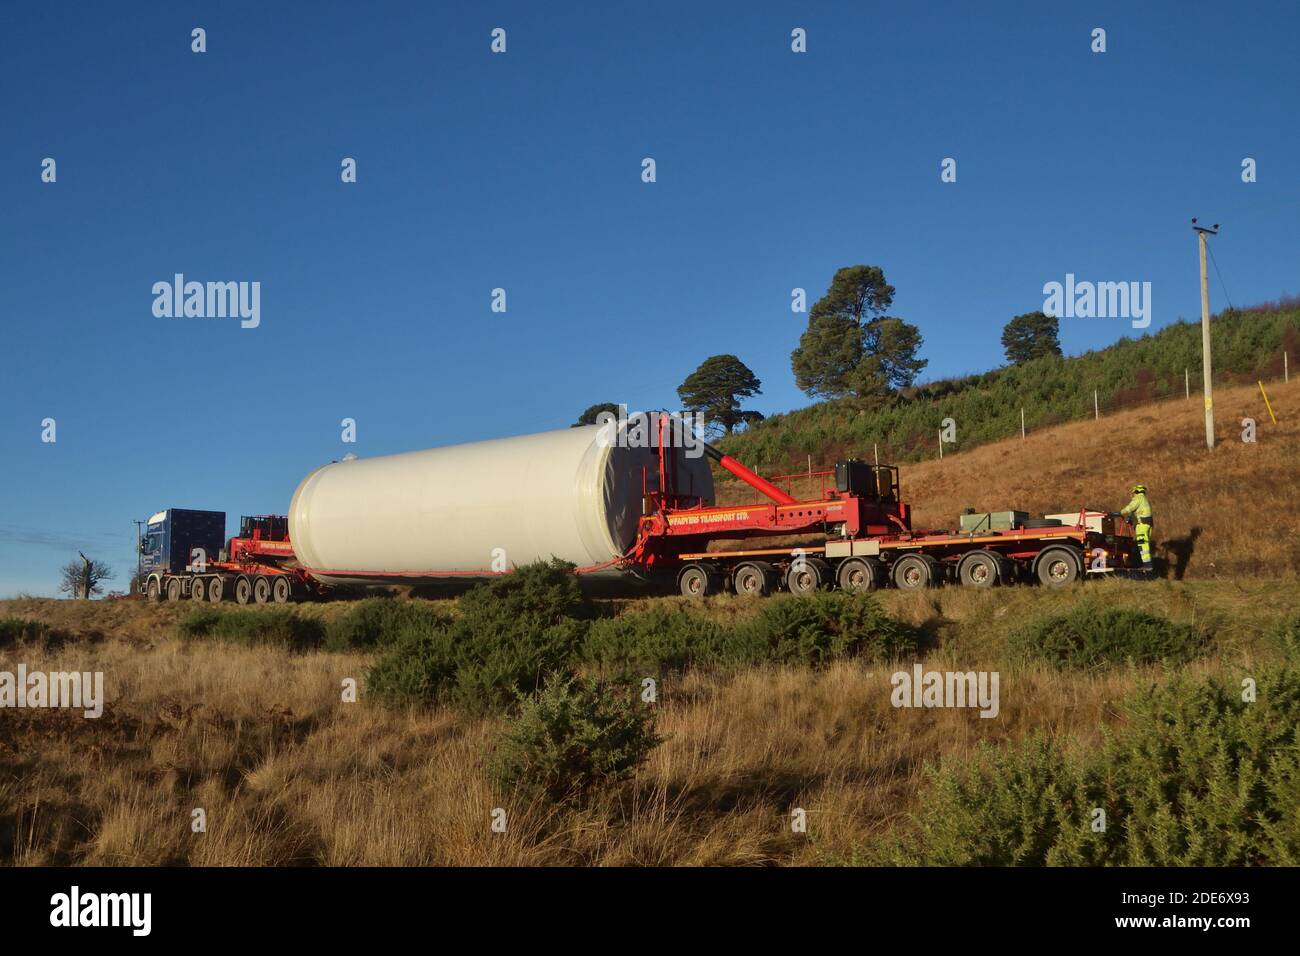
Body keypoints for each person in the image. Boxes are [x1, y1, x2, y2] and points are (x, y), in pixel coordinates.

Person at [1119, 483, 1154, 575]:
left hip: (1142, 525)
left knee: (1143, 545)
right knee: (1145, 544)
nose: (1133, 495)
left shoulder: (1138, 498)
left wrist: (1120, 513)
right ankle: (1147, 564)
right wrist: (1130, 518)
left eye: (1134, 492)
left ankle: (1147, 565)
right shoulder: (1145, 500)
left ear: (1137, 491)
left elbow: (1130, 507)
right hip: (1148, 524)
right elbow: (1138, 511)